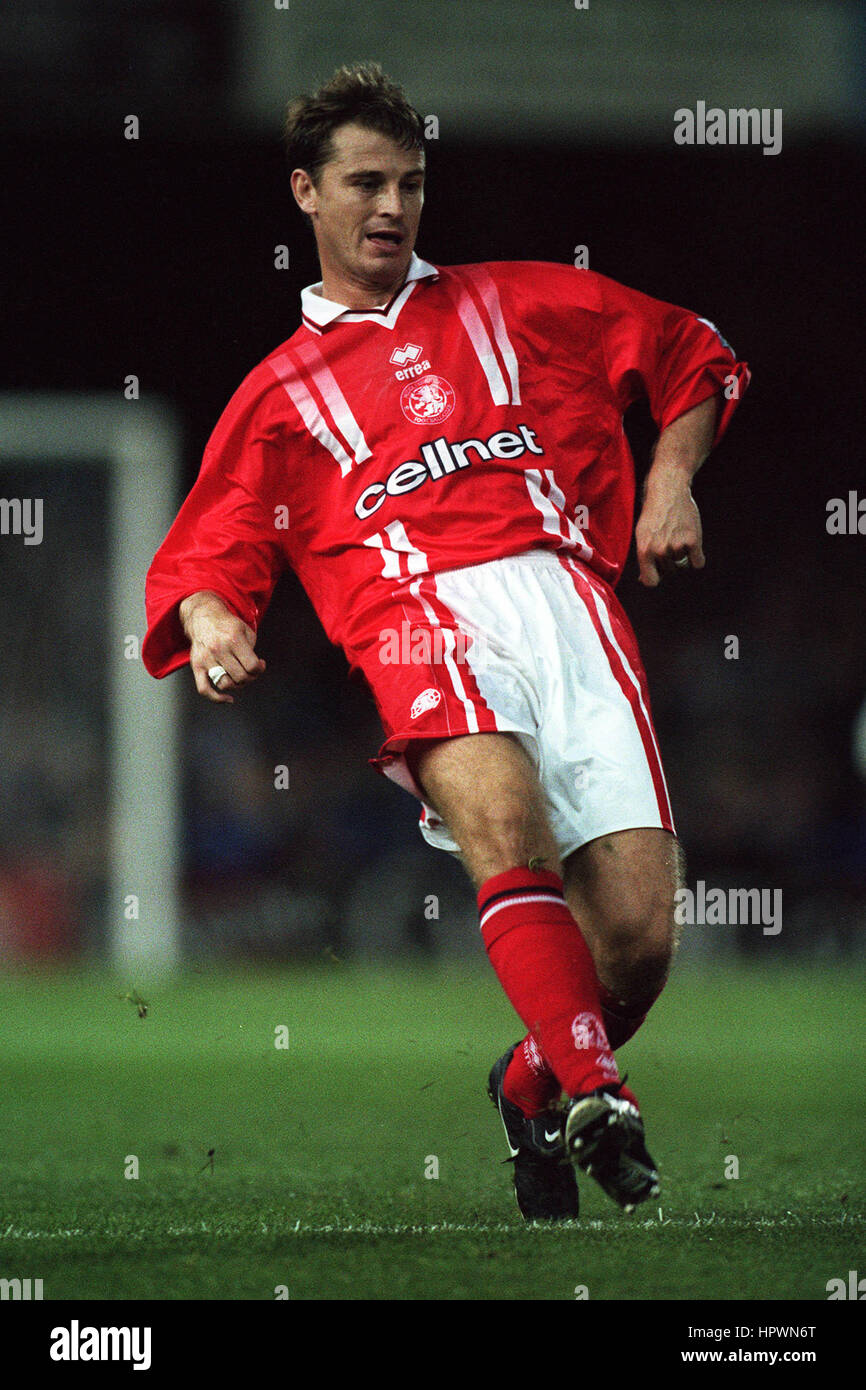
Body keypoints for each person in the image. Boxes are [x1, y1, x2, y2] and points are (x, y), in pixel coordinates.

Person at [143, 62, 750, 1222]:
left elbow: (690, 353)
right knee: (502, 826)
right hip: (418, 622)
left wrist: (670, 478)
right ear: (303, 196)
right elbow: (207, 555)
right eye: (364, 182)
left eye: (410, 184)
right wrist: (215, 620)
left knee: (635, 939)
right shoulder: (276, 397)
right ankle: (599, 1095)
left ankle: (534, 1082)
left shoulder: (517, 301)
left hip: (570, 611)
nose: (390, 207)